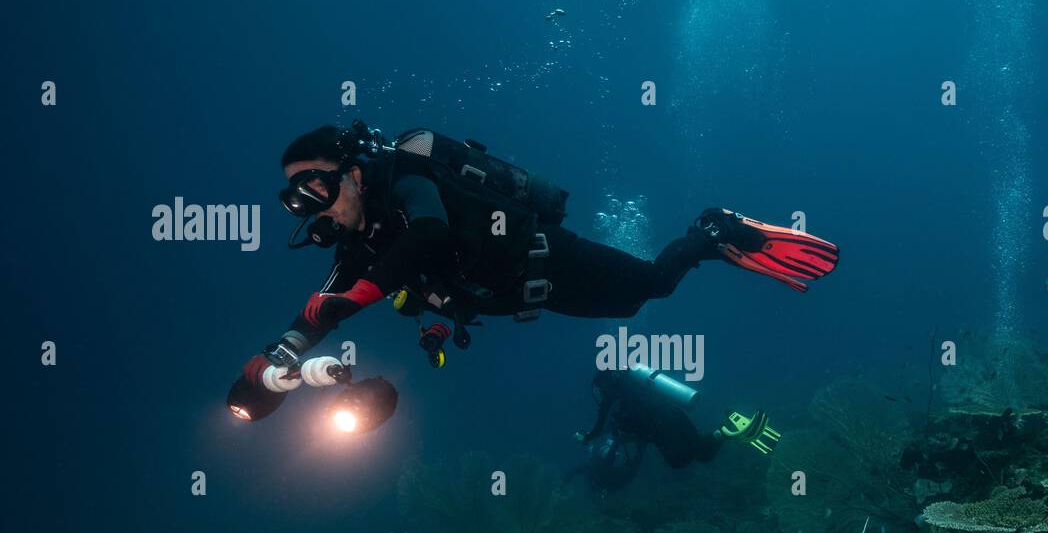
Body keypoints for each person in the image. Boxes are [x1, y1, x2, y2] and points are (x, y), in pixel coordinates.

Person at [227, 122, 838, 421]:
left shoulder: (404, 182)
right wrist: (271, 361)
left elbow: (432, 232)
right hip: (524, 293)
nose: (310, 205)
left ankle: (710, 231)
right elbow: (320, 310)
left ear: (354, 173)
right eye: (294, 198)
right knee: (631, 306)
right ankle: (706, 237)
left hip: (548, 255)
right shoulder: (358, 249)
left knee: (650, 287)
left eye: (315, 185)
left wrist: (357, 297)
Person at [568, 367, 780, 494]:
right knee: (702, 454)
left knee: (678, 461)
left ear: (605, 384)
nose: (601, 393)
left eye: (601, 388)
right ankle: (723, 432)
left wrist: (586, 437)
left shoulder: (612, 399)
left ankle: (723, 432)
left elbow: (602, 428)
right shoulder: (635, 386)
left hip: (662, 427)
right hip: (675, 414)